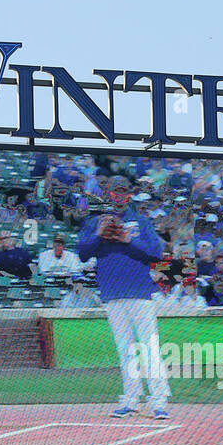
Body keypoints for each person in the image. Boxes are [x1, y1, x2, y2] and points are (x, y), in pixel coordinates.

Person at [76, 174, 170, 420]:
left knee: (149, 347)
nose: (119, 196)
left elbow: (156, 254)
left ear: (129, 194)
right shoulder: (97, 221)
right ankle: (131, 399)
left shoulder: (139, 221)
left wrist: (129, 240)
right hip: (112, 293)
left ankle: (159, 400)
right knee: (125, 350)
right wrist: (98, 233)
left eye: (123, 191)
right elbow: (83, 254)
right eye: (115, 191)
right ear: (109, 194)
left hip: (139, 292)